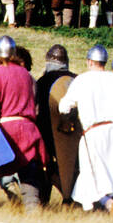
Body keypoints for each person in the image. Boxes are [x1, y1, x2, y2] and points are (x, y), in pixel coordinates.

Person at [58, 43, 113, 213]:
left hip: (92, 131)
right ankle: (100, 205)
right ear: (104, 62)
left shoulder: (82, 80)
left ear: (89, 62)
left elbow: (63, 107)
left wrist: (69, 120)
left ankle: (107, 203)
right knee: (107, 171)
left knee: (90, 171)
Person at [0, 35, 48, 209]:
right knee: (28, 169)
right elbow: (35, 104)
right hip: (29, 128)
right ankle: (33, 208)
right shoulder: (28, 75)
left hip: (6, 130)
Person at [35, 44, 76, 204]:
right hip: (74, 136)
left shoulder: (42, 82)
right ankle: (71, 199)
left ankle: (49, 201)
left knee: (46, 169)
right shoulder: (75, 79)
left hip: (47, 133)